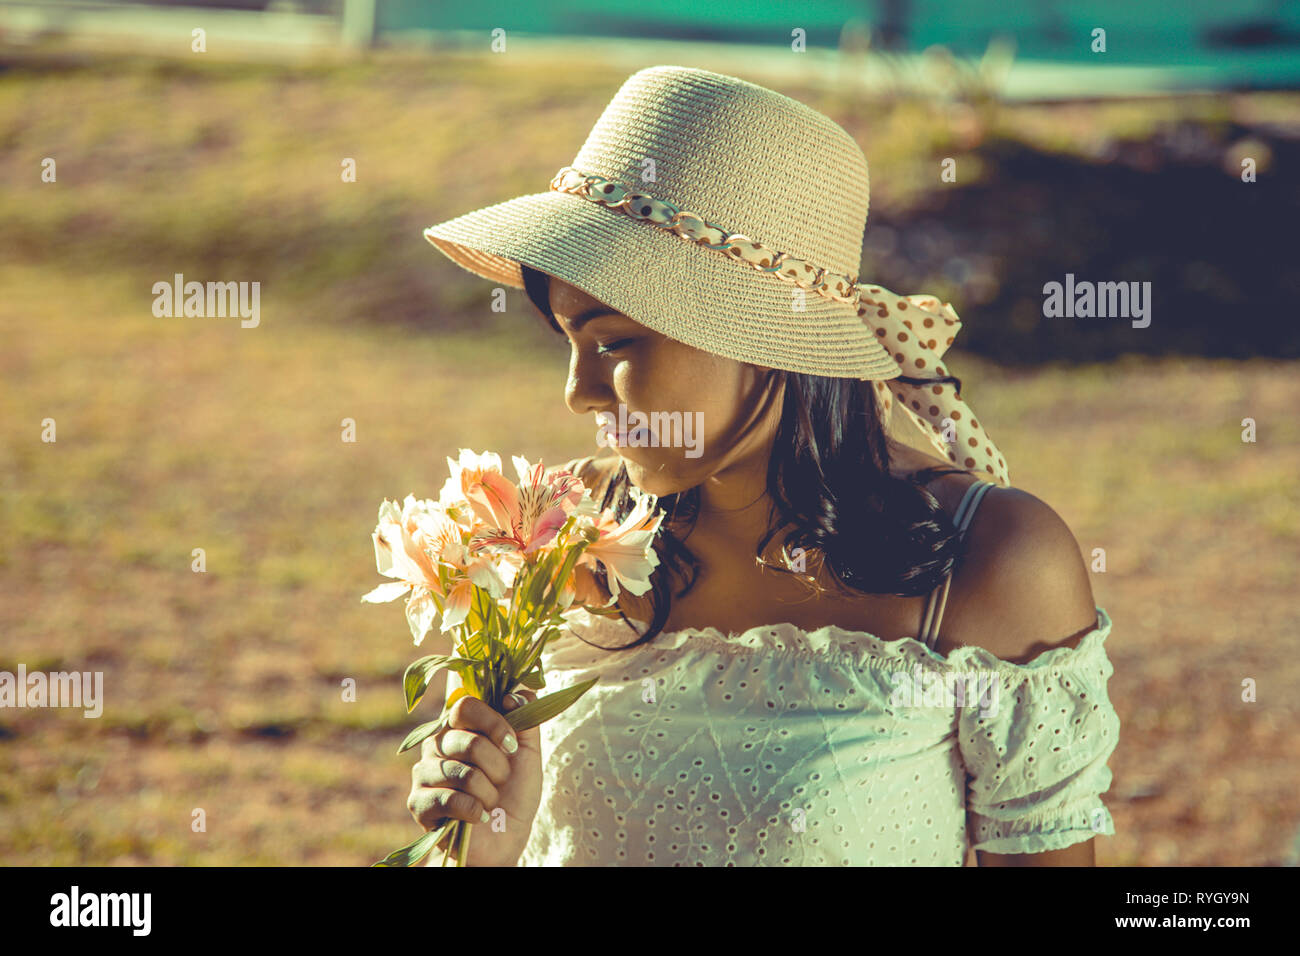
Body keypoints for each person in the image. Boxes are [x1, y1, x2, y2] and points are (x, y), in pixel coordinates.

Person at [407, 65, 1120, 866]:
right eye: (568, 342)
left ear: (757, 331)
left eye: (613, 343)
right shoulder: (562, 536)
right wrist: (483, 846)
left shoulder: (994, 561)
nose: (578, 393)